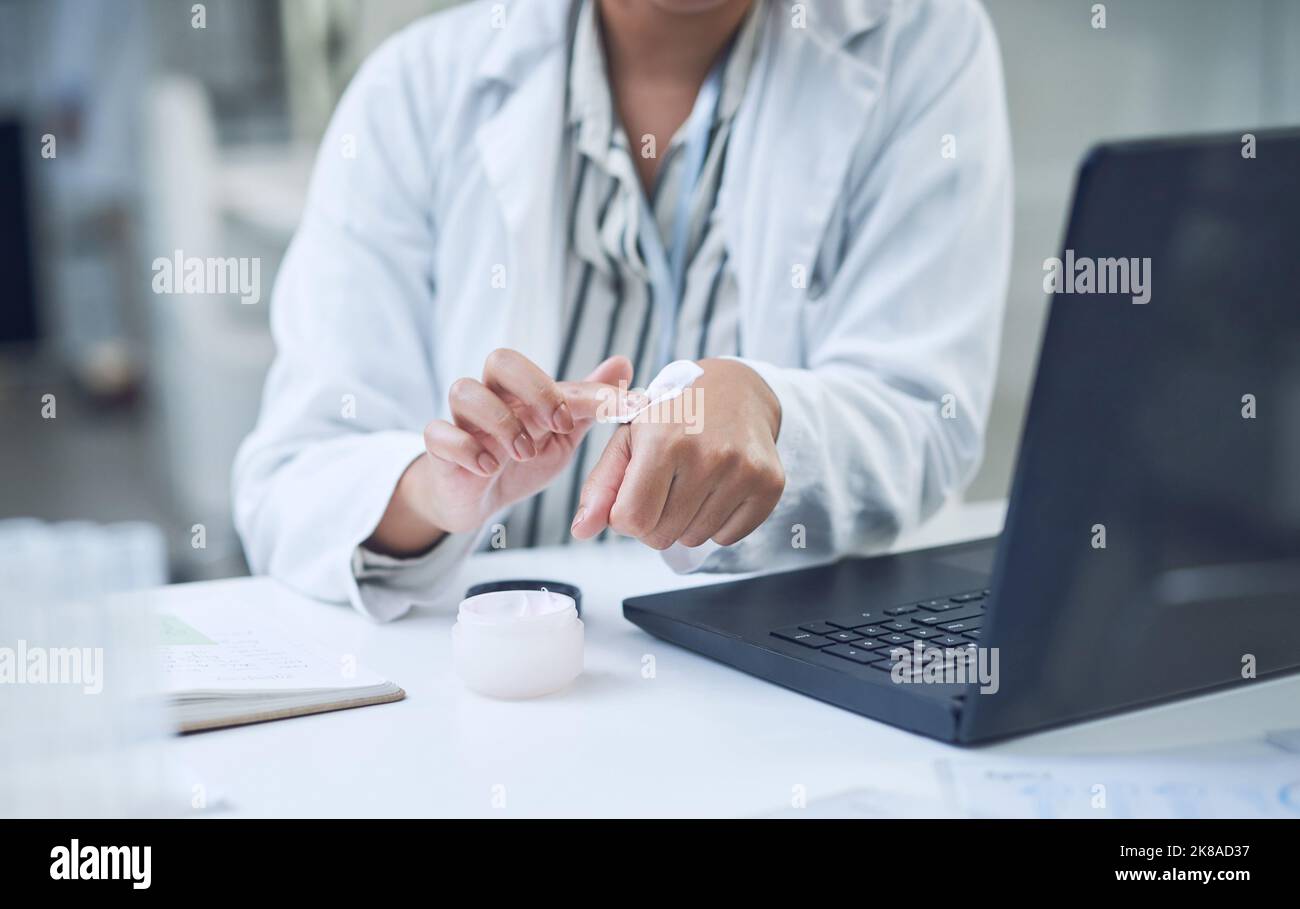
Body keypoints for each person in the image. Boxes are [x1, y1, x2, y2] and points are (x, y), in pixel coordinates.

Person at [233, 0, 1012, 622]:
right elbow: (294, 477)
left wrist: (773, 413)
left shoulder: (922, 41)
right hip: (487, 674)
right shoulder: (414, 89)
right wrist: (434, 491)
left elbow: (923, 413)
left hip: (774, 672)